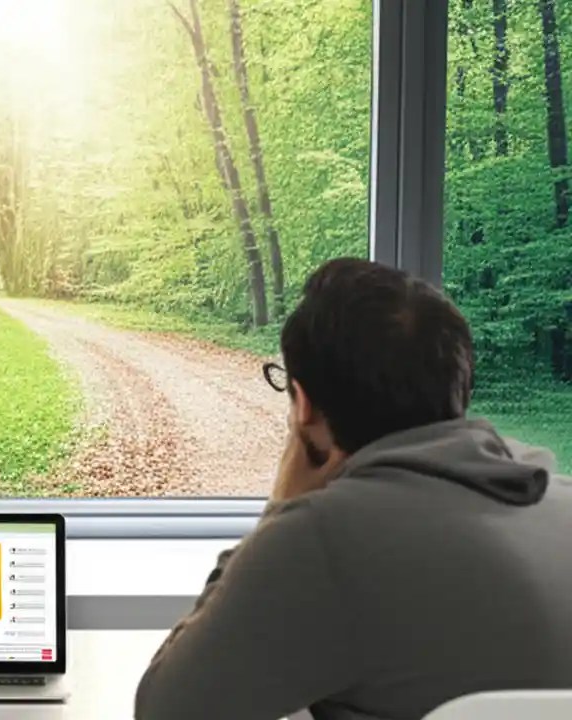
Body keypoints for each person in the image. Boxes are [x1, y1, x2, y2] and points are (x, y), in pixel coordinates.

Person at [134, 258, 572, 719]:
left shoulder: (321, 539)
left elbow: (168, 711)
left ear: (304, 405)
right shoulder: (560, 497)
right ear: (456, 384)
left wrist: (278, 513)